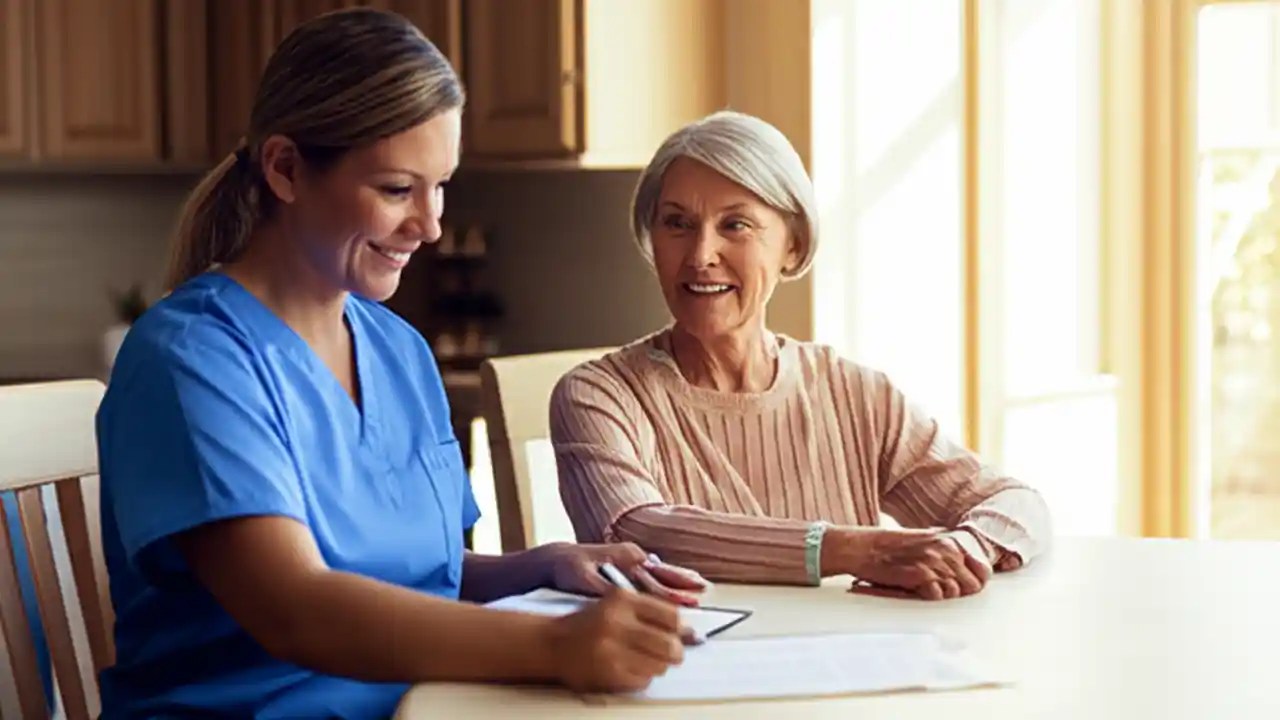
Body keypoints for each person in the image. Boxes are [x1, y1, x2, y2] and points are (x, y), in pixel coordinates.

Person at [94, 9, 706, 719]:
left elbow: (417, 575)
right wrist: (554, 645)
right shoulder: (192, 360)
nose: (431, 224)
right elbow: (297, 609)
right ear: (286, 169)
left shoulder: (398, 350)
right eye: (396, 189)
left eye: (440, 185)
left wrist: (537, 567)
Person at [551, 111, 1051, 601]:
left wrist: (965, 550)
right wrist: (854, 549)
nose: (701, 254)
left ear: (793, 245)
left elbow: (1016, 504)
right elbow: (634, 533)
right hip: (683, 654)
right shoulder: (598, 395)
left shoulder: (855, 394)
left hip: (852, 654)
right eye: (677, 223)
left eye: (735, 225)